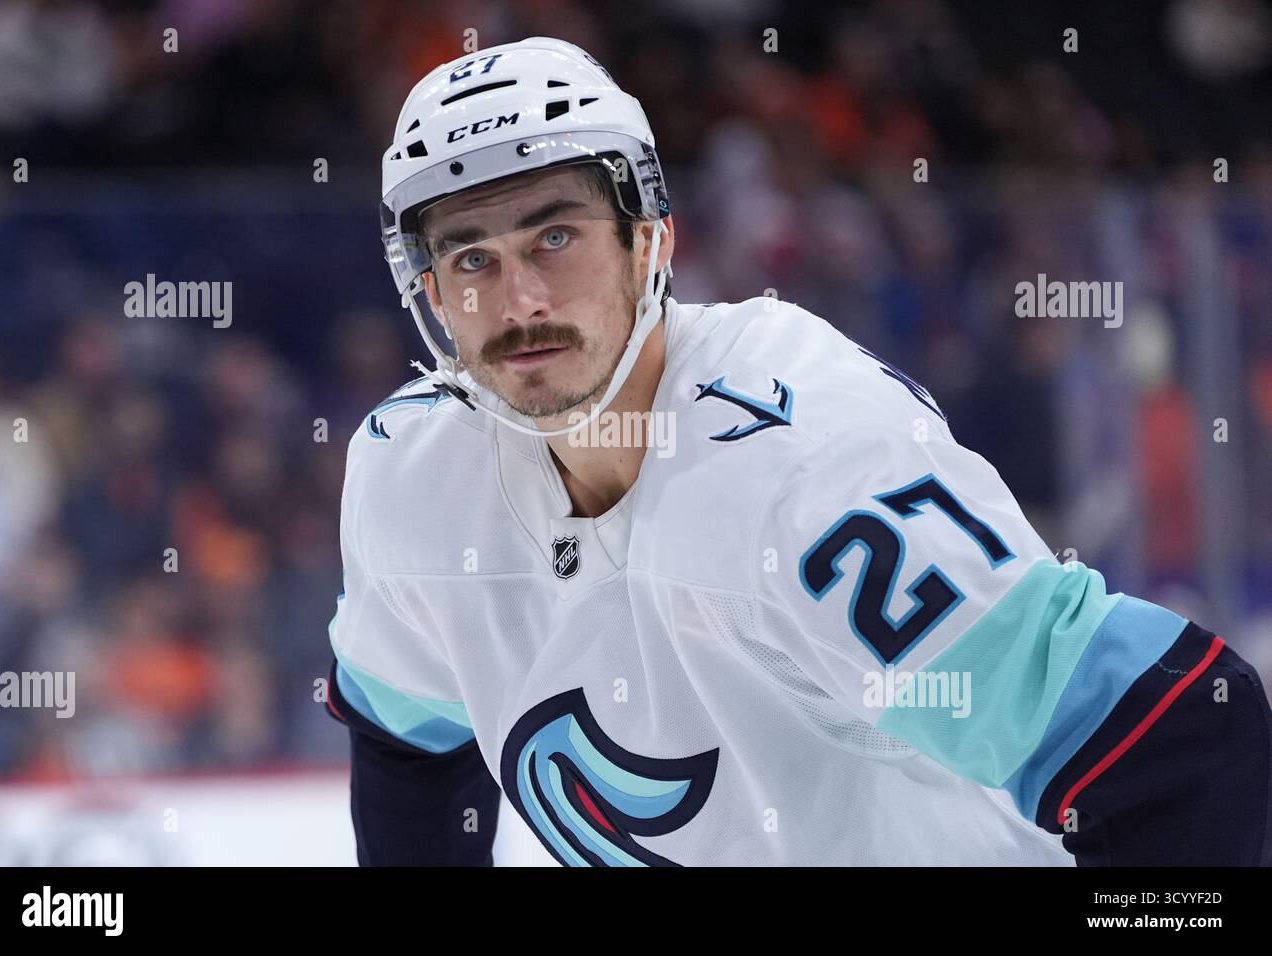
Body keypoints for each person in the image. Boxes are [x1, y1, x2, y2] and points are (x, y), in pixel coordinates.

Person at [324, 37, 1272, 866]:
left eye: (556, 236)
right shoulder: (412, 479)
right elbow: (409, 741)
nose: (521, 299)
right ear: (432, 294)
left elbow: (1183, 738)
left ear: (647, 238)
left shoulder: (804, 463)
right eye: (472, 257)